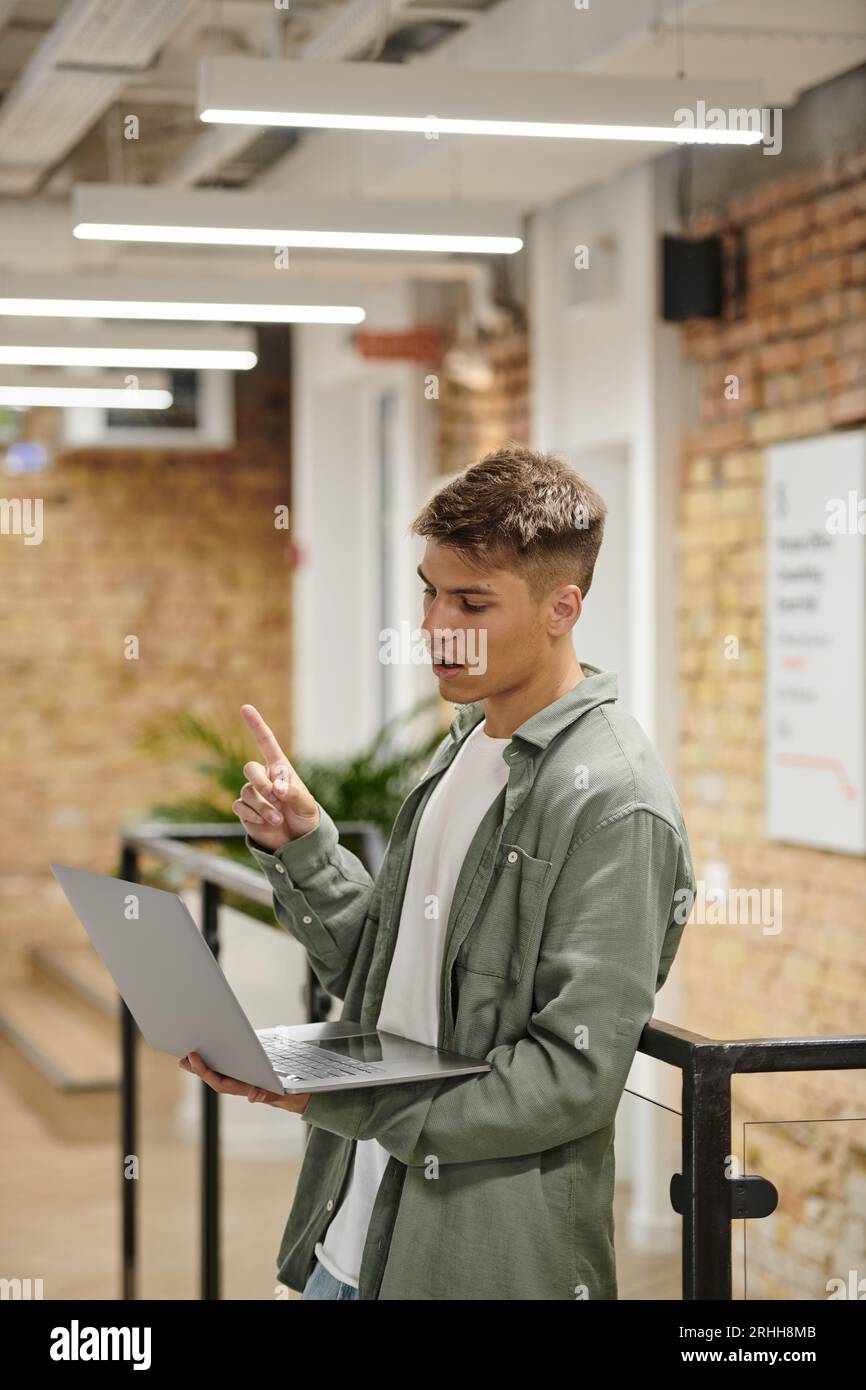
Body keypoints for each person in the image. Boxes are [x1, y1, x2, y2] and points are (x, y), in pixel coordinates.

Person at [182, 442, 695, 1301]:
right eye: (429, 590)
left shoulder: (614, 803)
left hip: (473, 1266)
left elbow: (567, 1082)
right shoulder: (461, 750)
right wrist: (304, 848)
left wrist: (333, 1100)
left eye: (472, 601)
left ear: (562, 607)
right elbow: (377, 975)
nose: (434, 626)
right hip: (343, 1240)